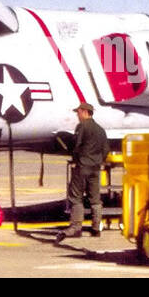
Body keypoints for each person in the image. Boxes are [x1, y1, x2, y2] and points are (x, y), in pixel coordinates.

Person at [57, 102, 108, 241]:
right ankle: (96, 228)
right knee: (95, 198)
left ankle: (75, 227)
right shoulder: (100, 129)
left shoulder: (82, 127)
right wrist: (98, 161)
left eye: (78, 112)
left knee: (76, 196)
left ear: (85, 112)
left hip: (82, 166)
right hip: (95, 168)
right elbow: (105, 150)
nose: (77, 115)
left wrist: (75, 159)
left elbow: (77, 145)